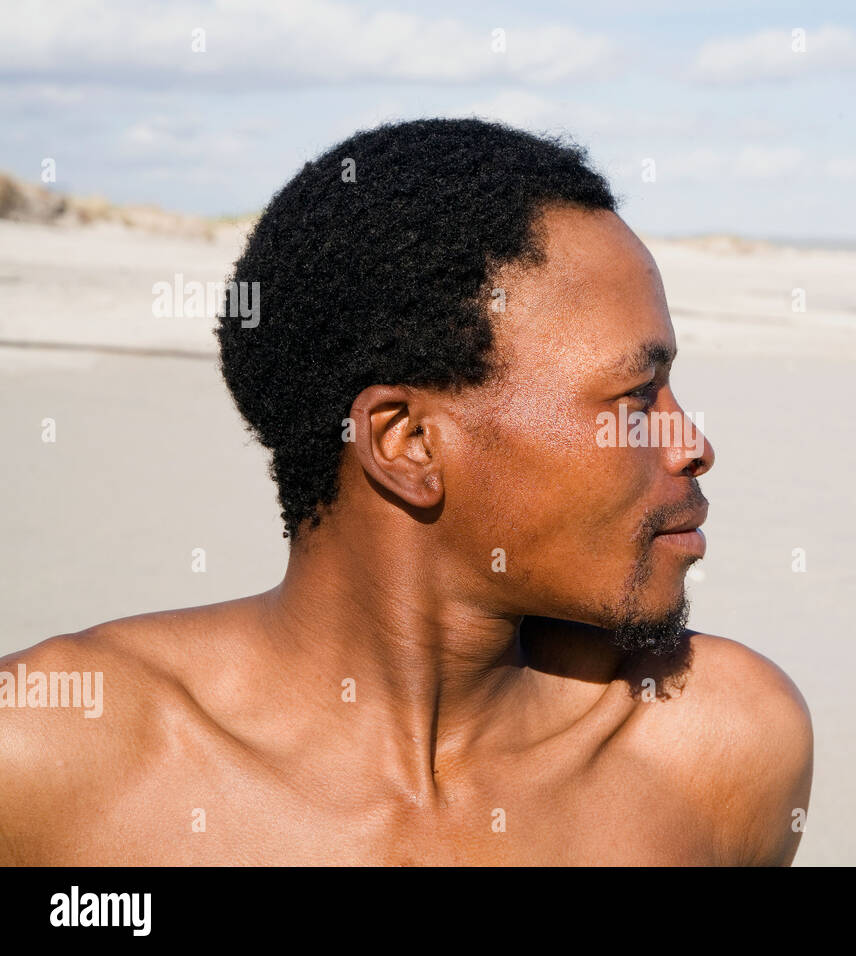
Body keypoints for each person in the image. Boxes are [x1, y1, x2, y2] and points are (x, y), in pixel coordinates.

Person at [0, 118, 813, 865]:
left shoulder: (720, 745)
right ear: (407, 443)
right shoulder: (52, 758)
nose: (694, 446)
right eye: (636, 397)